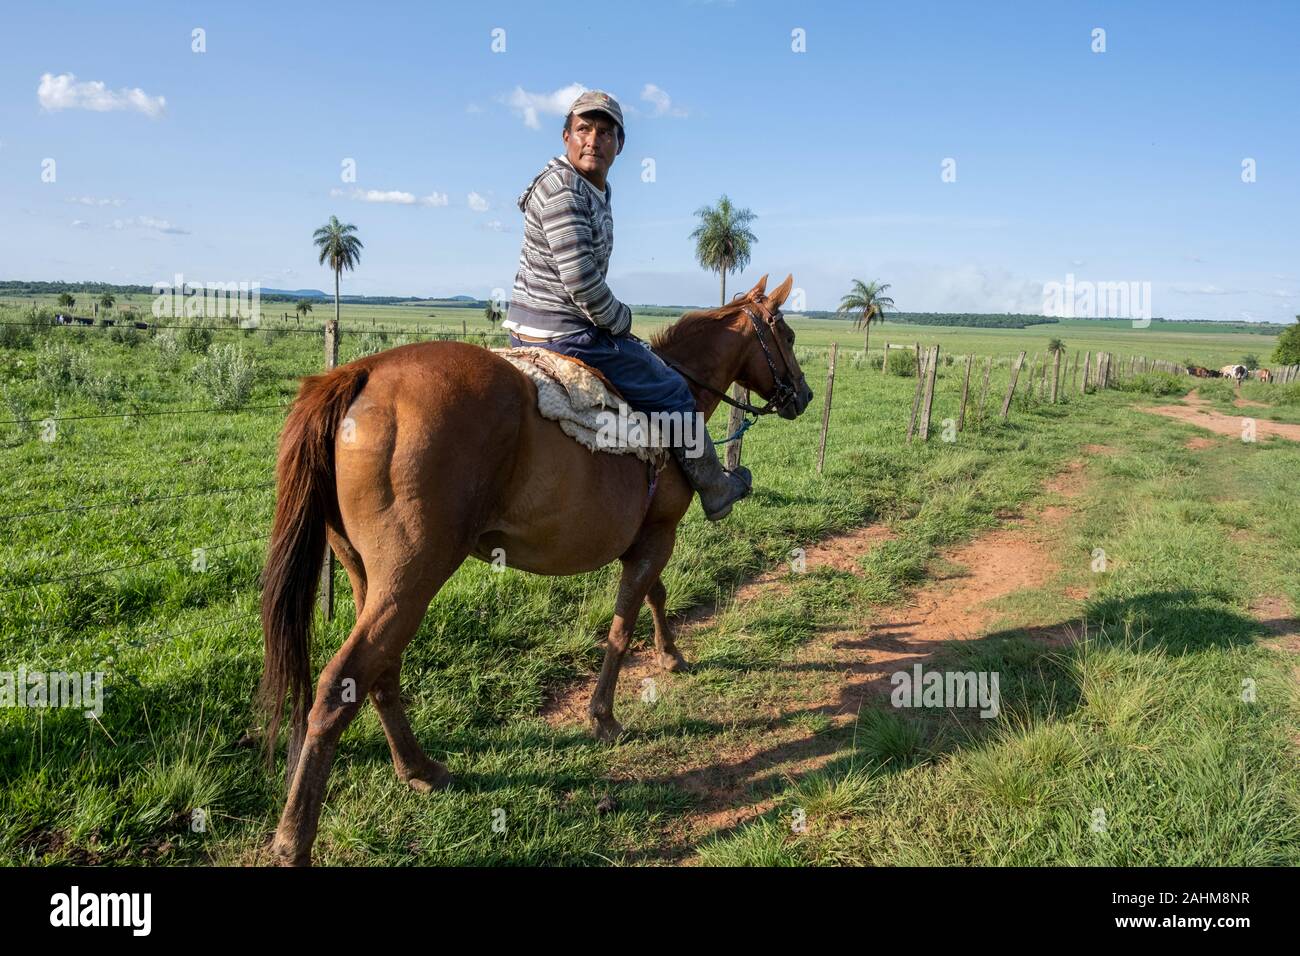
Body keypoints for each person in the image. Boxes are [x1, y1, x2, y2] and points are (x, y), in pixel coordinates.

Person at [504, 89, 751, 520]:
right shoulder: (564, 190)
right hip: (566, 331)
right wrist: (622, 321)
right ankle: (716, 490)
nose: (593, 139)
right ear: (566, 136)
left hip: (548, 323)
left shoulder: (595, 189)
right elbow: (582, 283)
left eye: (605, 132)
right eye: (583, 128)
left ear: (619, 145)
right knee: (674, 393)